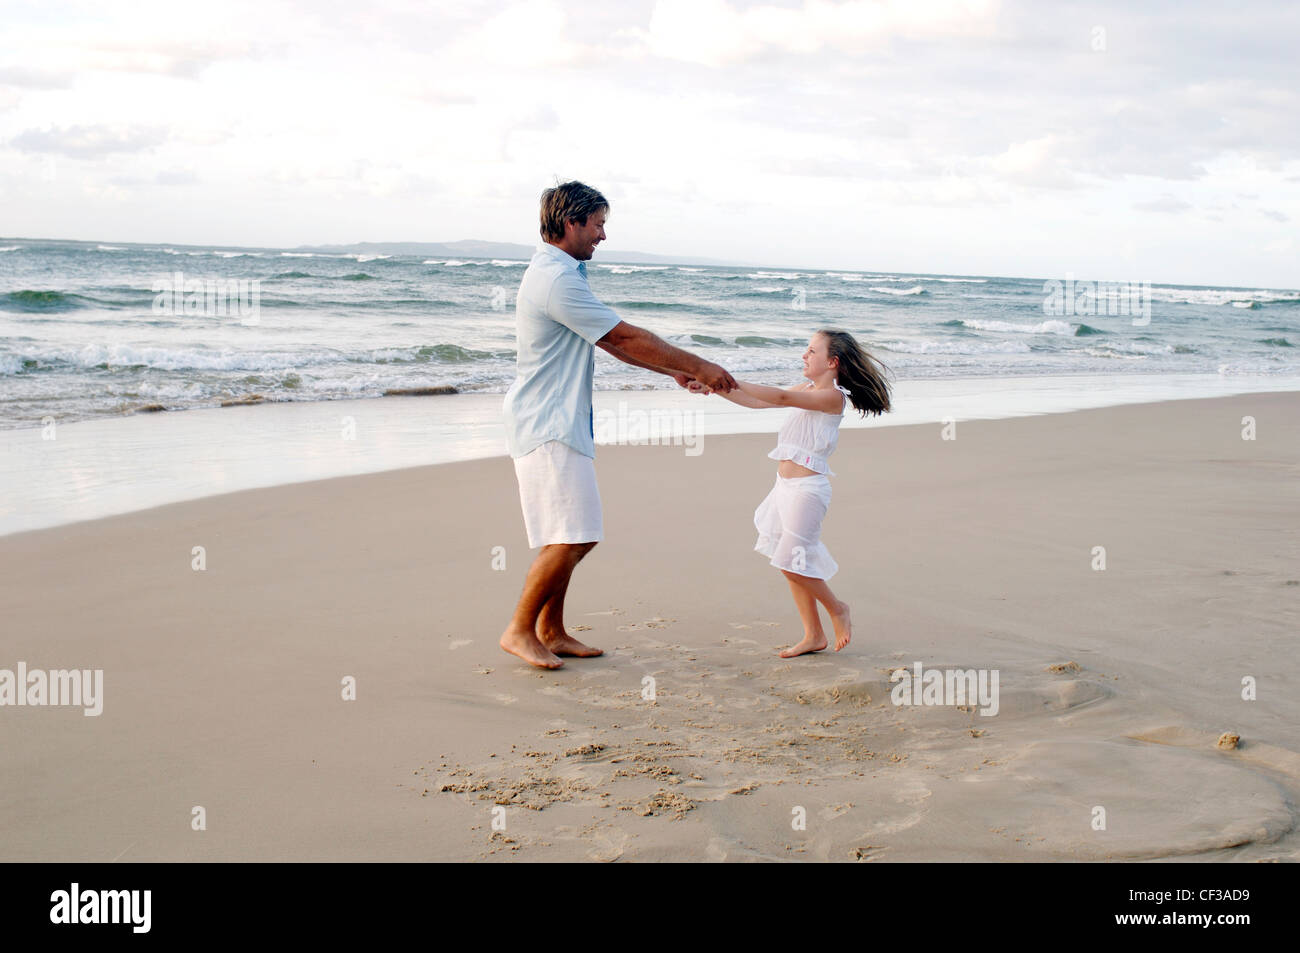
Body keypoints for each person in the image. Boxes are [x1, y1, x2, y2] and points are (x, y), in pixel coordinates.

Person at [499, 180, 737, 669]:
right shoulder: (556, 280)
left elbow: (610, 343)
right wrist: (698, 365)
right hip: (547, 423)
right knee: (575, 535)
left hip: (556, 419)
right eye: (599, 224)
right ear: (573, 223)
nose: (603, 236)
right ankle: (519, 629)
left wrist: (673, 370)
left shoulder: (563, 273)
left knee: (564, 533)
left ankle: (551, 629)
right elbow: (625, 336)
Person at [688, 330, 892, 657]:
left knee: (790, 562)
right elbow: (756, 402)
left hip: (807, 492)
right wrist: (715, 387)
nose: (804, 356)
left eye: (812, 351)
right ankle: (813, 635)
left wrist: (725, 377)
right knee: (789, 562)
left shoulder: (833, 397)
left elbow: (780, 398)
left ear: (832, 362)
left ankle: (837, 608)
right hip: (783, 488)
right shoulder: (808, 389)